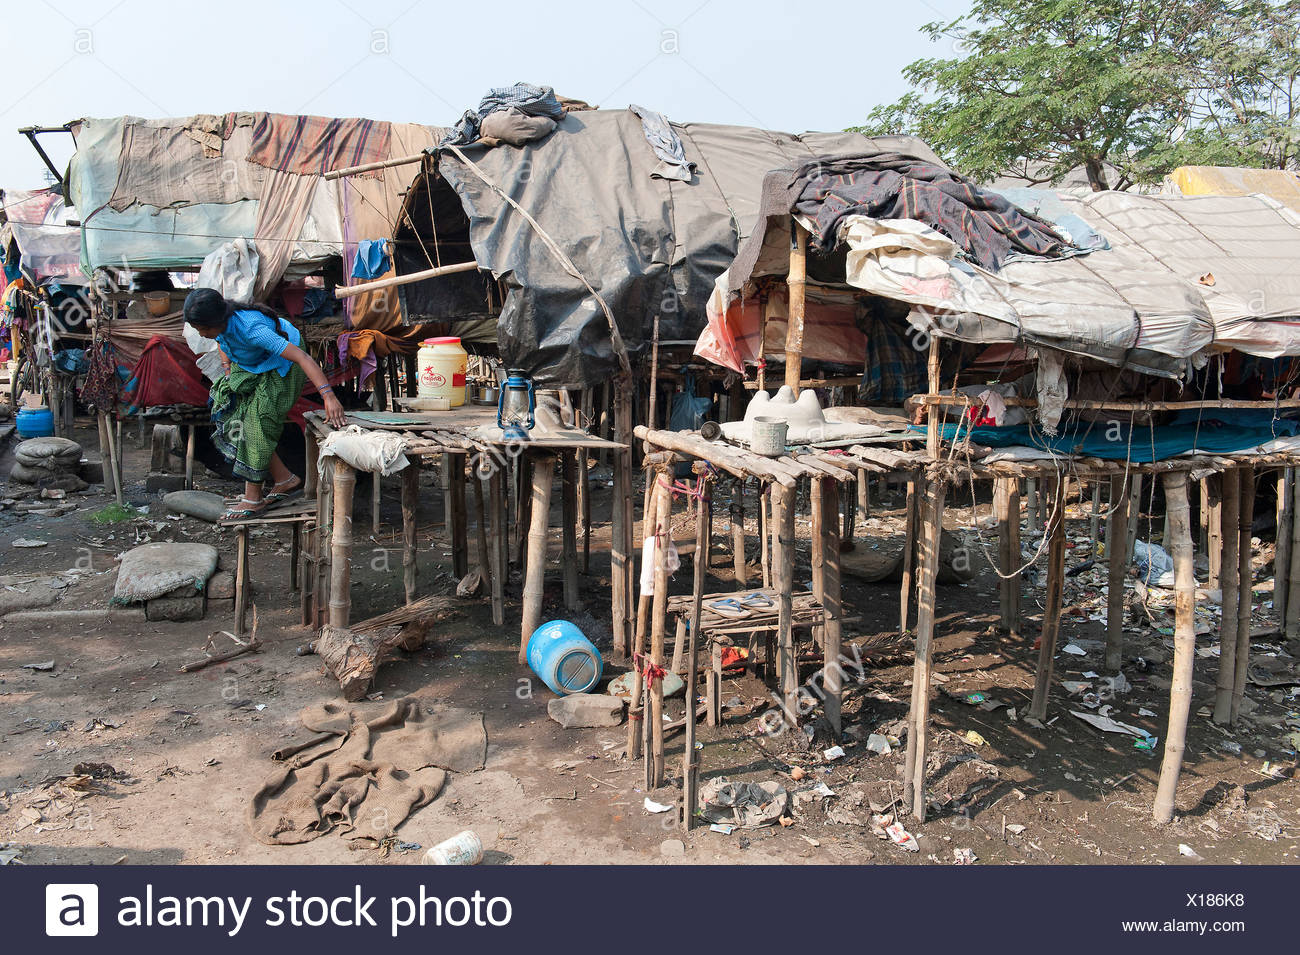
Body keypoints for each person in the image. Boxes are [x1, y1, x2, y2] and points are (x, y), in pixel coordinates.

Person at [183, 288, 345, 519]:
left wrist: (329, 396)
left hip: (282, 369)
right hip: (251, 365)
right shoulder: (219, 326)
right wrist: (228, 371)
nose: (201, 334)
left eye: (203, 329)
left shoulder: (252, 330)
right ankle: (285, 479)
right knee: (232, 413)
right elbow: (222, 341)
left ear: (218, 320)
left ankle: (254, 498)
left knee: (256, 425)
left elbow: (302, 358)